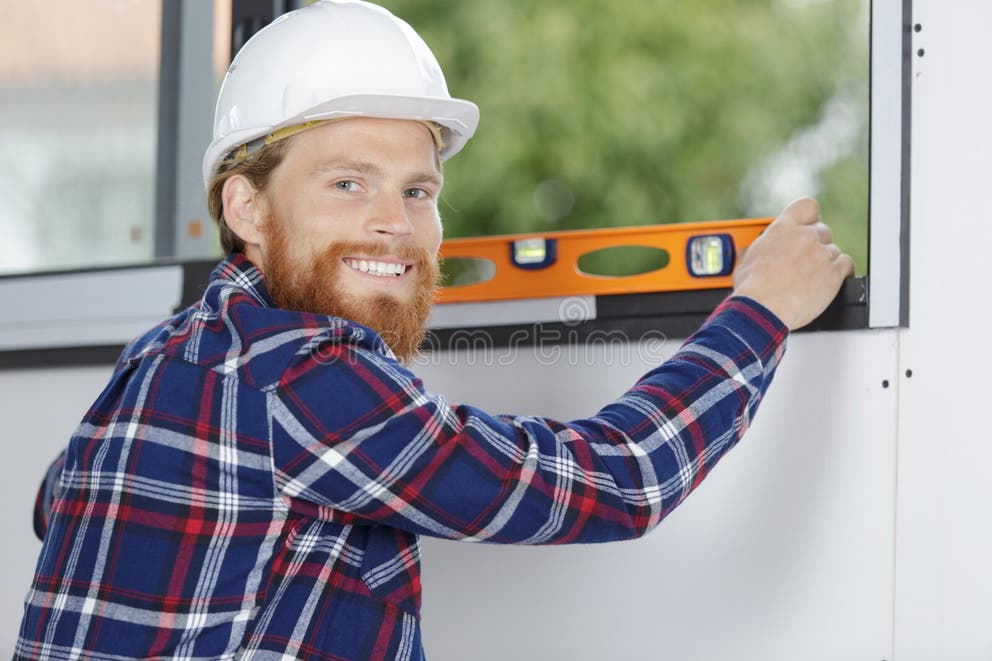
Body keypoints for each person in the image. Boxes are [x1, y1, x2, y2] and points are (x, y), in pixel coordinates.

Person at [15, 1, 854, 659]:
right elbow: (618, 480)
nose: (394, 223)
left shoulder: (164, 356)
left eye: (418, 191)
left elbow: (53, 504)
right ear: (246, 206)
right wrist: (759, 311)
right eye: (348, 183)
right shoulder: (299, 373)